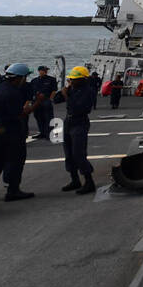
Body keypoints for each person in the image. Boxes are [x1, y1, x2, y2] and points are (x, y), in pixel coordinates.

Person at [0, 63, 37, 202]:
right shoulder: (13, 94)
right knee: (14, 159)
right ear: (19, 78)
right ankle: (13, 190)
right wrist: (36, 104)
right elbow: (19, 114)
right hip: (10, 131)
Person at [61, 66, 97, 194]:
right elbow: (56, 99)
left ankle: (89, 181)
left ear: (82, 79)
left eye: (74, 79)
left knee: (78, 153)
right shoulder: (72, 88)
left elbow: (79, 108)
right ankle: (74, 179)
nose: (71, 81)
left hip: (79, 122)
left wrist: (66, 96)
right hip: (68, 121)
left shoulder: (88, 92)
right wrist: (64, 90)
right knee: (68, 152)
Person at [30, 65, 58, 140]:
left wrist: (50, 99)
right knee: (38, 117)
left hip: (46, 100)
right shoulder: (34, 80)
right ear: (39, 71)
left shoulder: (51, 79)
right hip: (36, 101)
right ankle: (42, 132)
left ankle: (49, 133)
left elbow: (54, 90)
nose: (45, 71)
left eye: (46, 70)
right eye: (43, 70)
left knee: (48, 117)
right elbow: (31, 91)